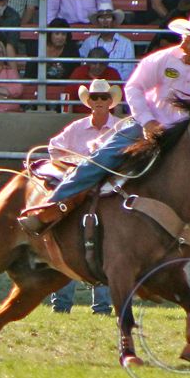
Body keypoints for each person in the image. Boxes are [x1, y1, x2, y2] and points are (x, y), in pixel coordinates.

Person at [17, 12, 190, 234]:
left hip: (182, 139)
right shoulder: (163, 60)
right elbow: (134, 88)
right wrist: (147, 122)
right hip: (146, 128)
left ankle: (178, 230)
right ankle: (50, 207)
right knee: (101, 160)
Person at [39, 78, 122, 314]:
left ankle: (101, 306)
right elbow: (54, 147)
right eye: (94, 98)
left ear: (110, 102)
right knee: (71, 244)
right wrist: (74, 163)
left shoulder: (120, 128)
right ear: (89, 102)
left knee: (105, 246)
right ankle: (63, 304)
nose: (99, 101)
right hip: (79, 194)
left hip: (107, 193)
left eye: (103, 97)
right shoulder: (77, 128)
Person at [79, 1, 135, 80]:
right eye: (101, 18)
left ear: (114, 21)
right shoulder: (89, 42)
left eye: (108, 17)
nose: (105, 21)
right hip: (91, 85)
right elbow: (83, 65)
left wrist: (113, 82)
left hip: (116, 86)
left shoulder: (126, 43)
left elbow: (128, 71)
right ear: (98, 22)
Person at [67, 47, 123, 114]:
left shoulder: (113, 74)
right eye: (94, 63)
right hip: (80, 117)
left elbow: (118, 103)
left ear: (107, 63)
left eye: (101, 64)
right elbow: (68, 99)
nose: (98, 67)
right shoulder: (78, 72)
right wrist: (68, 119)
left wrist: (117, 122)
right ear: (88, 63)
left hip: (107, 118)